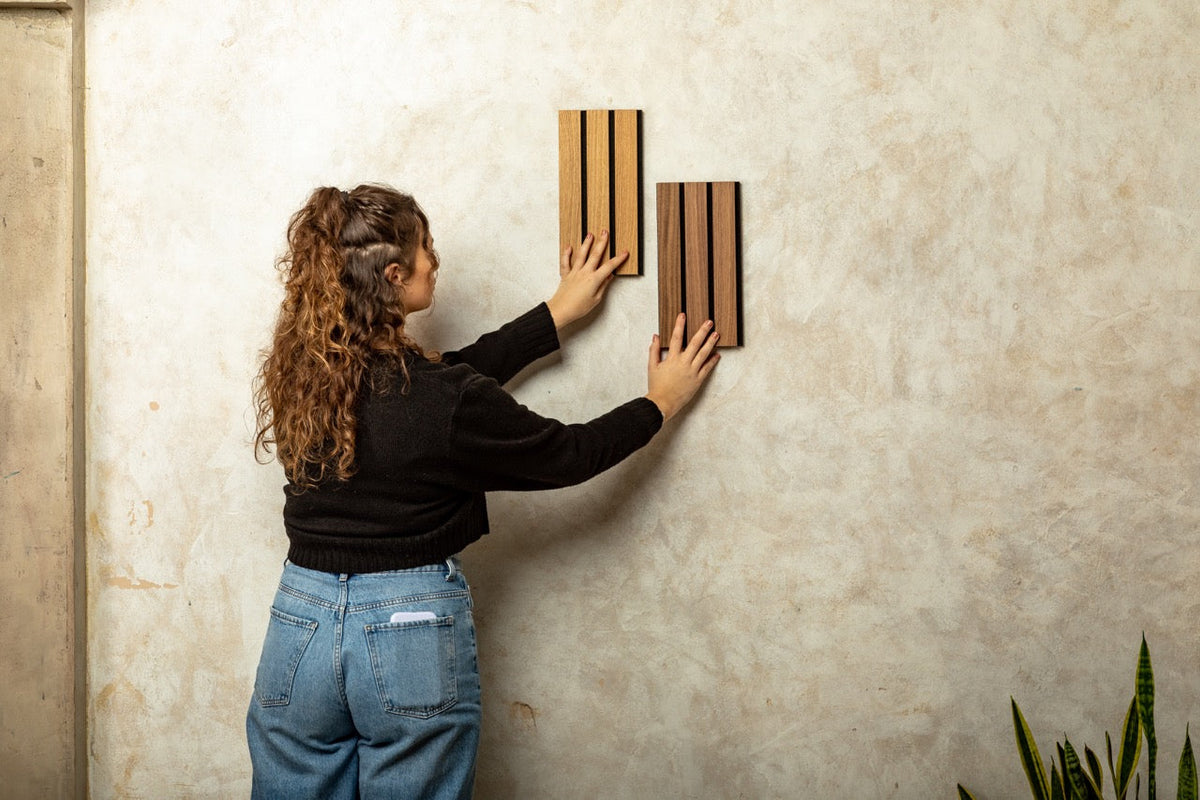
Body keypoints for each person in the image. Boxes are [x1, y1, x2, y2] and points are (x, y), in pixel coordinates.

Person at [247, 183, 719, 799]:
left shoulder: (305, 377)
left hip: (299, 620)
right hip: (403, 627)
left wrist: (556, 314)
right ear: (394, 275)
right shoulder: (442, 401)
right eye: (427, 252)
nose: (435, 265)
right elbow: (567, 454)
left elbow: (442, 384)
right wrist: (661, 401)